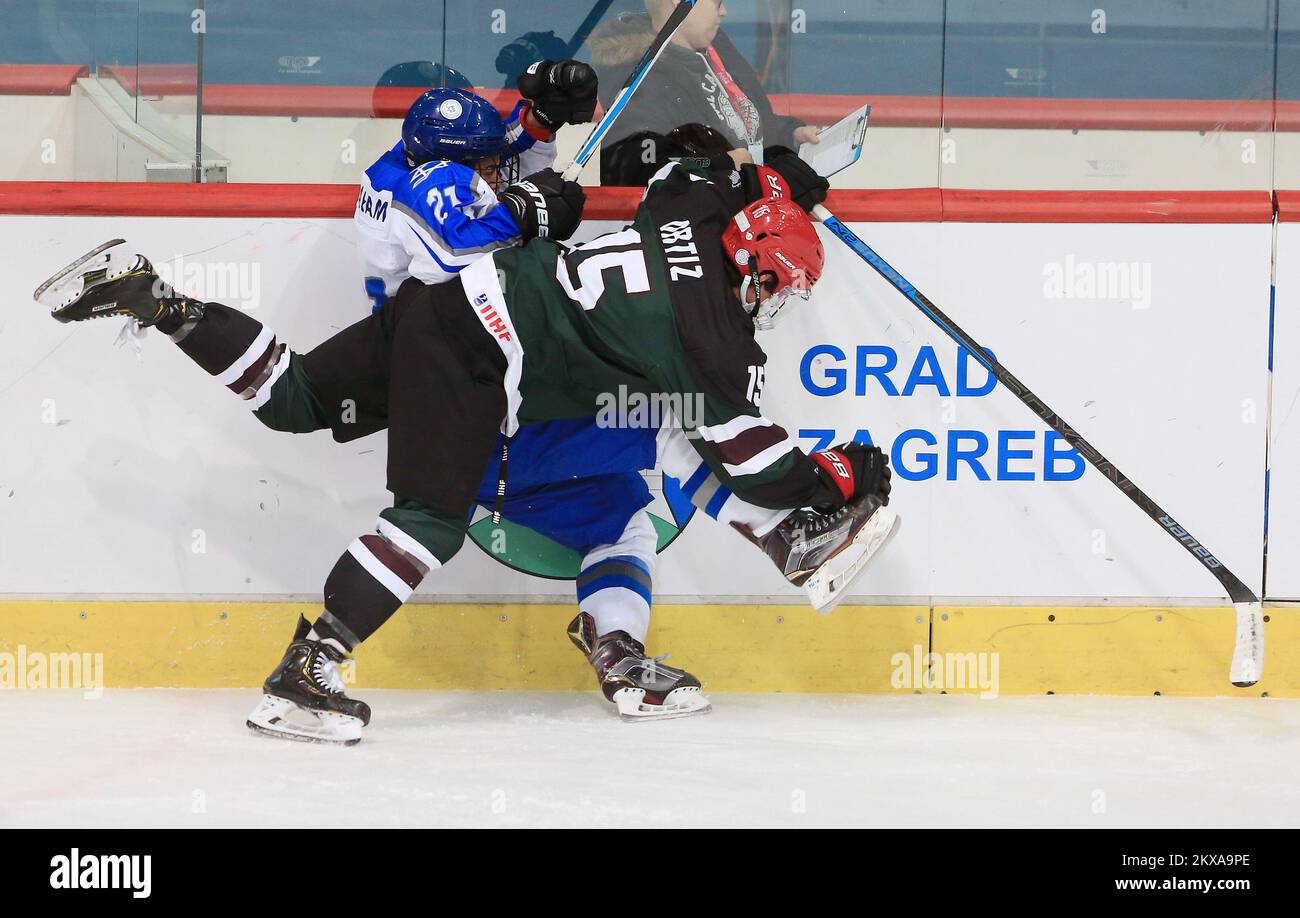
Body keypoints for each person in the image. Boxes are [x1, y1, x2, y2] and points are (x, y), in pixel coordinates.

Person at [37, 153, 897, 744]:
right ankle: (307, 670)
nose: (772, 306)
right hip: (478, 356)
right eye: (778, 288)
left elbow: (694, 169)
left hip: (448, 296)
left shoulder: (691, 210)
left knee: (296, 397)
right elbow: (763, 465)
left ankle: (158, 299)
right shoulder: (714, 345)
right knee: (429, 522)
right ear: (753, 269)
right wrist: (838, 474)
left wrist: (779, 180)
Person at [589, 0, 820, 186]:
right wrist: (721, 164)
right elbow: (638, 167)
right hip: (698, 229)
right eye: (717, 3)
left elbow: (743, 122)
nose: (724, 12)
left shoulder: (714, 45)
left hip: (747, 203)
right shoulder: (637, 75)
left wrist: (788, 134)